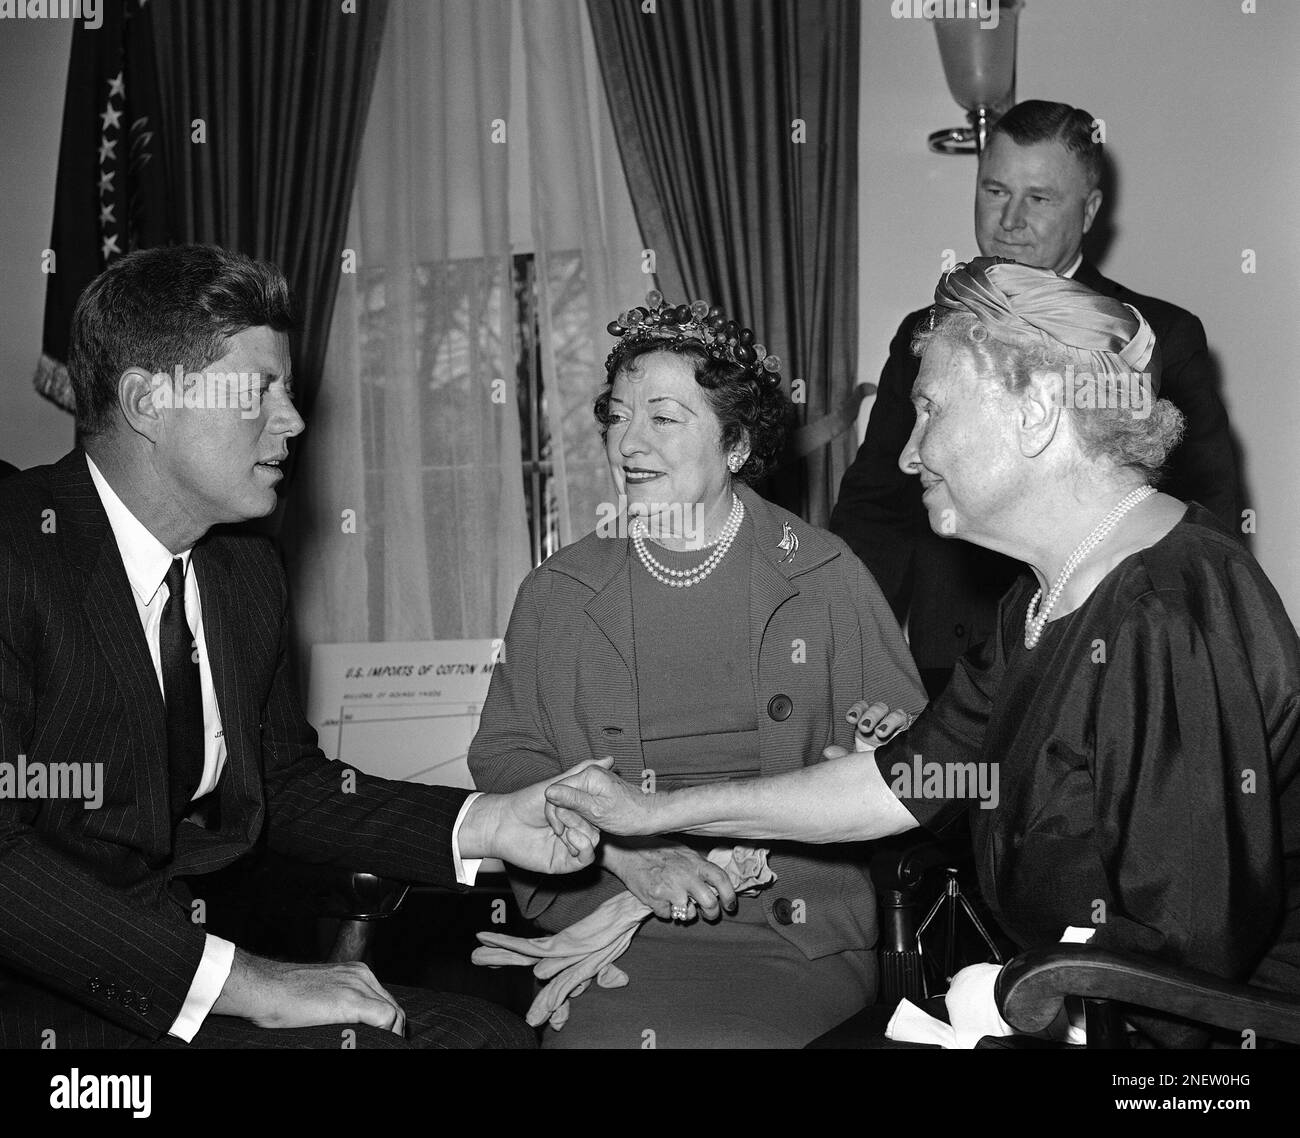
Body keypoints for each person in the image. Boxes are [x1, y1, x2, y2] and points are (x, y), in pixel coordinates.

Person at [549, 260, 1300, 1049]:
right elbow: (894, 784)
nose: (908, 455)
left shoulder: (1168, 612)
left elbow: (1184, 964)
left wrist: (1004, 999)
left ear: (1038, 412)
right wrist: (652, 814)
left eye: (930, 411)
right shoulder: (1042, 599)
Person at [0, 245, 603, 1050]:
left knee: (484, 1038)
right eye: (260, 391)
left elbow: (279, 784)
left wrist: (486, 823)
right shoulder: (16, 552)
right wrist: (250, 983)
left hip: (187, 970)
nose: (292, 421)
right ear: (149, 401)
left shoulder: (243, 569)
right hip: (45, 994)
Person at [468, 292, 927, 1048]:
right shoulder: (559, 592)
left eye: (663, 418)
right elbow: (507, 759)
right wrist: (628, 857)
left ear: (737, 443)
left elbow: (913, 764)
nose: (628, 442)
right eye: (617, 415)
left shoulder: (823, 574)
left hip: (792, 927)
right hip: (613, 919)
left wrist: (883, 739)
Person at [831, 100, 1242, 697]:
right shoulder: (925, 333)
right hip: (951, 661)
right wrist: (845, 654)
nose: (1010, 220)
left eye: (1040, 198)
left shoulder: (1156, 337)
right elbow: (877, 510)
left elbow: (1207, 515)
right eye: (995, 191)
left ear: (1089, 210)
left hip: (1102, 663)